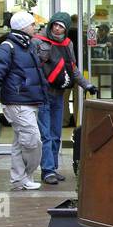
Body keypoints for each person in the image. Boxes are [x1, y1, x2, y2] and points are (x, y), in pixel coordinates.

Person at [0, 10, 46, 191]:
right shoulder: (7, 47)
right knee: (33, 140)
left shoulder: (28, 46)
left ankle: (19, 179)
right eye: (32, 24)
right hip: (18, 102)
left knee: (20, 142)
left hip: (28, 100)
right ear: (24, 27)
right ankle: (26, 175)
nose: (36, 27)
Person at [31, 12, 96, 184]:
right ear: (51, 24)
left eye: (62, 27)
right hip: (43, 94)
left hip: (58, 94)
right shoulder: (37, 41)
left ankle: (53, 167)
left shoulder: (68, 44)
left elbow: (72, 68)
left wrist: (87, 85)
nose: (58, 29)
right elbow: (31, 68)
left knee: (56, 133)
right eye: (56, 25)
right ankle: (47, 170)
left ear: (66, 29)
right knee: (45, 134)